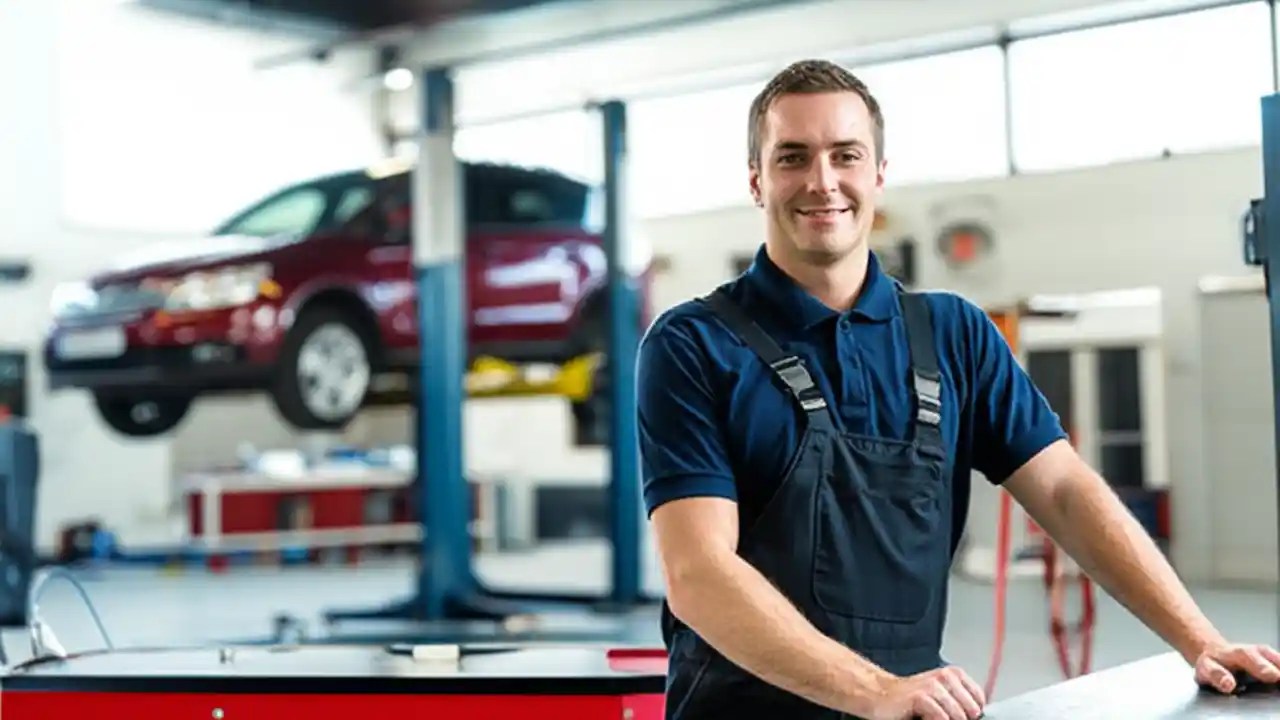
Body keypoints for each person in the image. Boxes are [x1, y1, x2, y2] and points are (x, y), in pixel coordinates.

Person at [636, 58, 1280, 720]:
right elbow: (698, 574)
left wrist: (1201, 642)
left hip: (916, 713)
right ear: (757, 180)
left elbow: (1062, 489)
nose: (822, 181)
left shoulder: (953, 336)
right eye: (793, 157)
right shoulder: (692, 346)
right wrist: (872, 691)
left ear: (879, 174)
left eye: (846, 155)